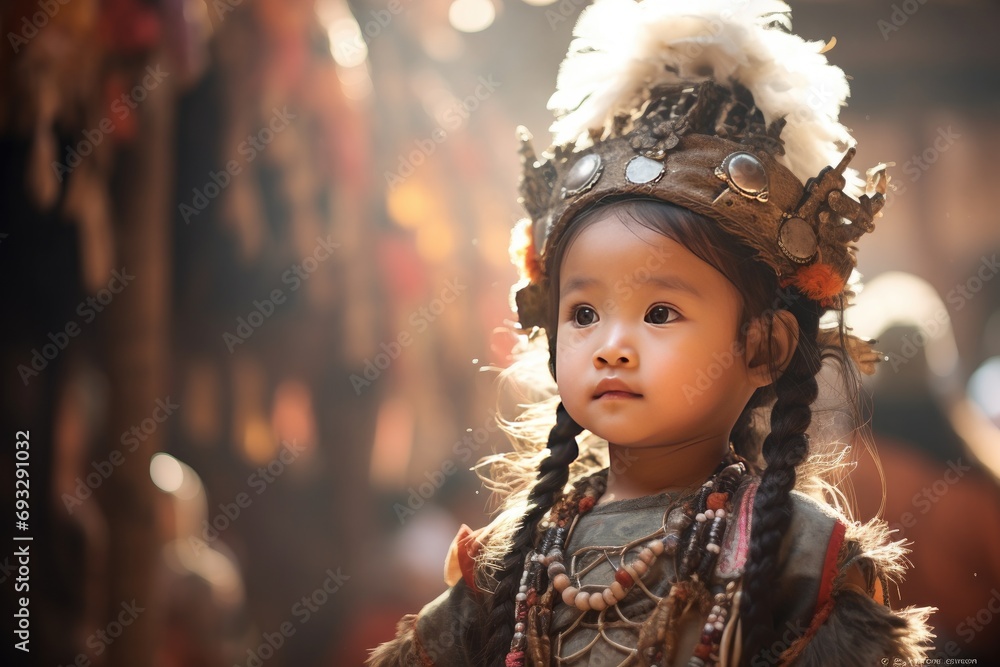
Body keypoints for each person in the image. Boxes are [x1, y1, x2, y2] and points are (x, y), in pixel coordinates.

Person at [369, 0, 934, 664]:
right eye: (583, 314)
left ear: (764, 346)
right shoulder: (506, 560)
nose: (611, 343)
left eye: (660, 313)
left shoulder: (798, 556)